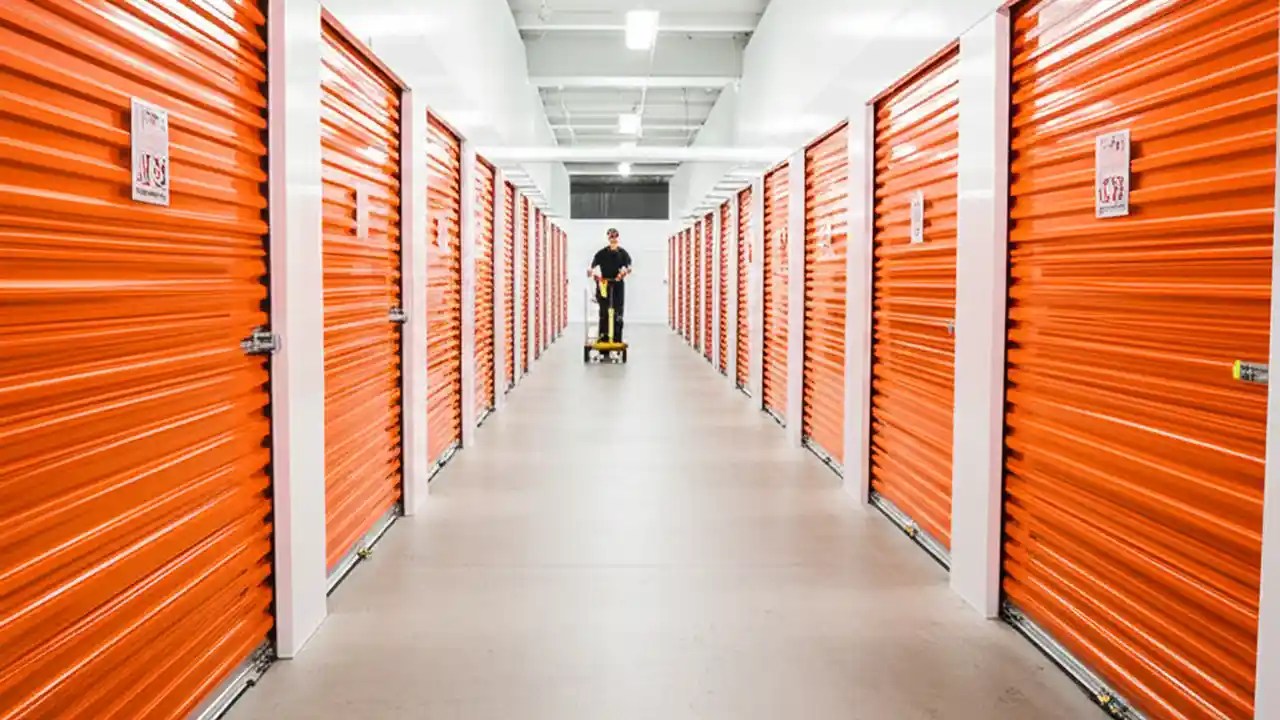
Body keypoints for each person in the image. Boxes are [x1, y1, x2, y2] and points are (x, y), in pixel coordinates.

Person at [588, 228, 632, 343]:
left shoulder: (623, 253)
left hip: (618, 284)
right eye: (611, 237)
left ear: (618, 237)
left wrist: (624, 272)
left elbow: (628, 266)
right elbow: (592, 266)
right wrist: (592, 272)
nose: (613, 239)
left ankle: (617, 339)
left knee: (618, 312)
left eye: (615, 236)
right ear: (608, 238)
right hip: (604, 284)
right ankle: (604, 337)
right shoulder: (601, 253)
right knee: (604, 311)